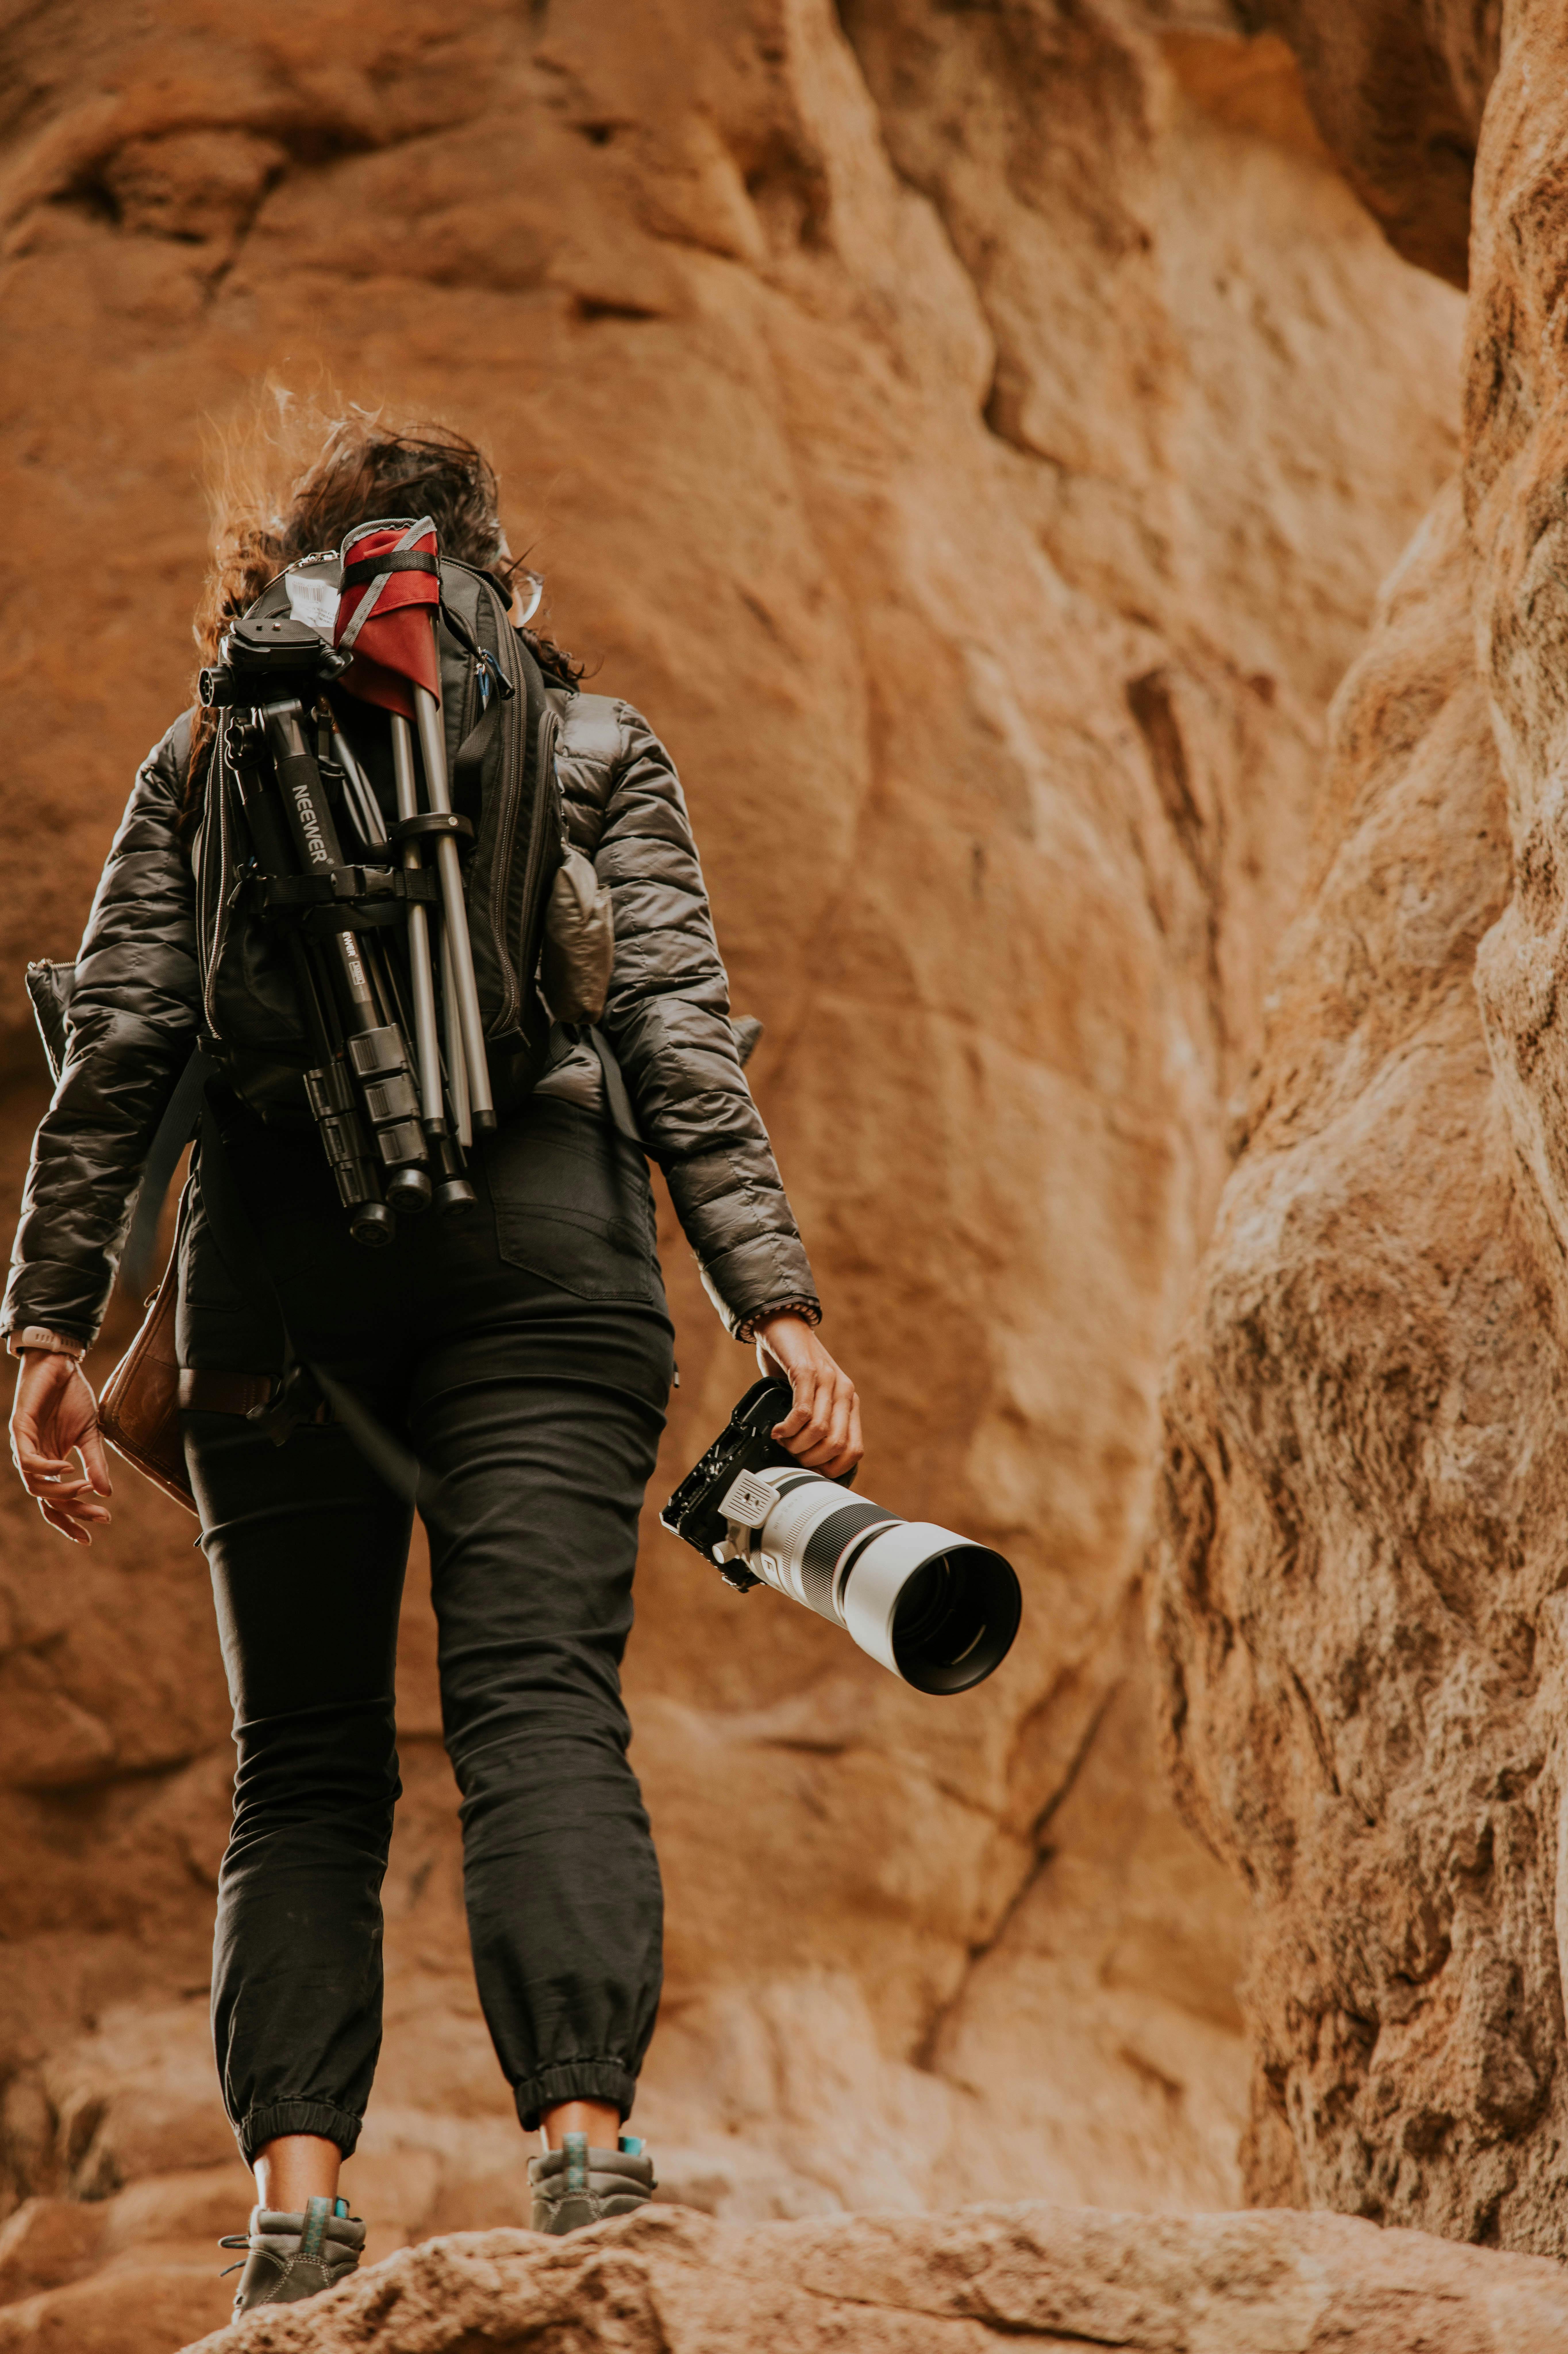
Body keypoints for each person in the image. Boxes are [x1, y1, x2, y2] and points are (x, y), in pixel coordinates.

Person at [3, 415, 861, 2313]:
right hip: (550, 1249)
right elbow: (675, 1041)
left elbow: (125, 1047)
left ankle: (298, 2218)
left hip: (271, 1281)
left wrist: (50, 1322)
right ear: (496, 574)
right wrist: (770, 1298)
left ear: (297, 565)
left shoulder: (212, 745)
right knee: (540, 1704)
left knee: (301, 1769)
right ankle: (582, 2161)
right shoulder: (586, 739)